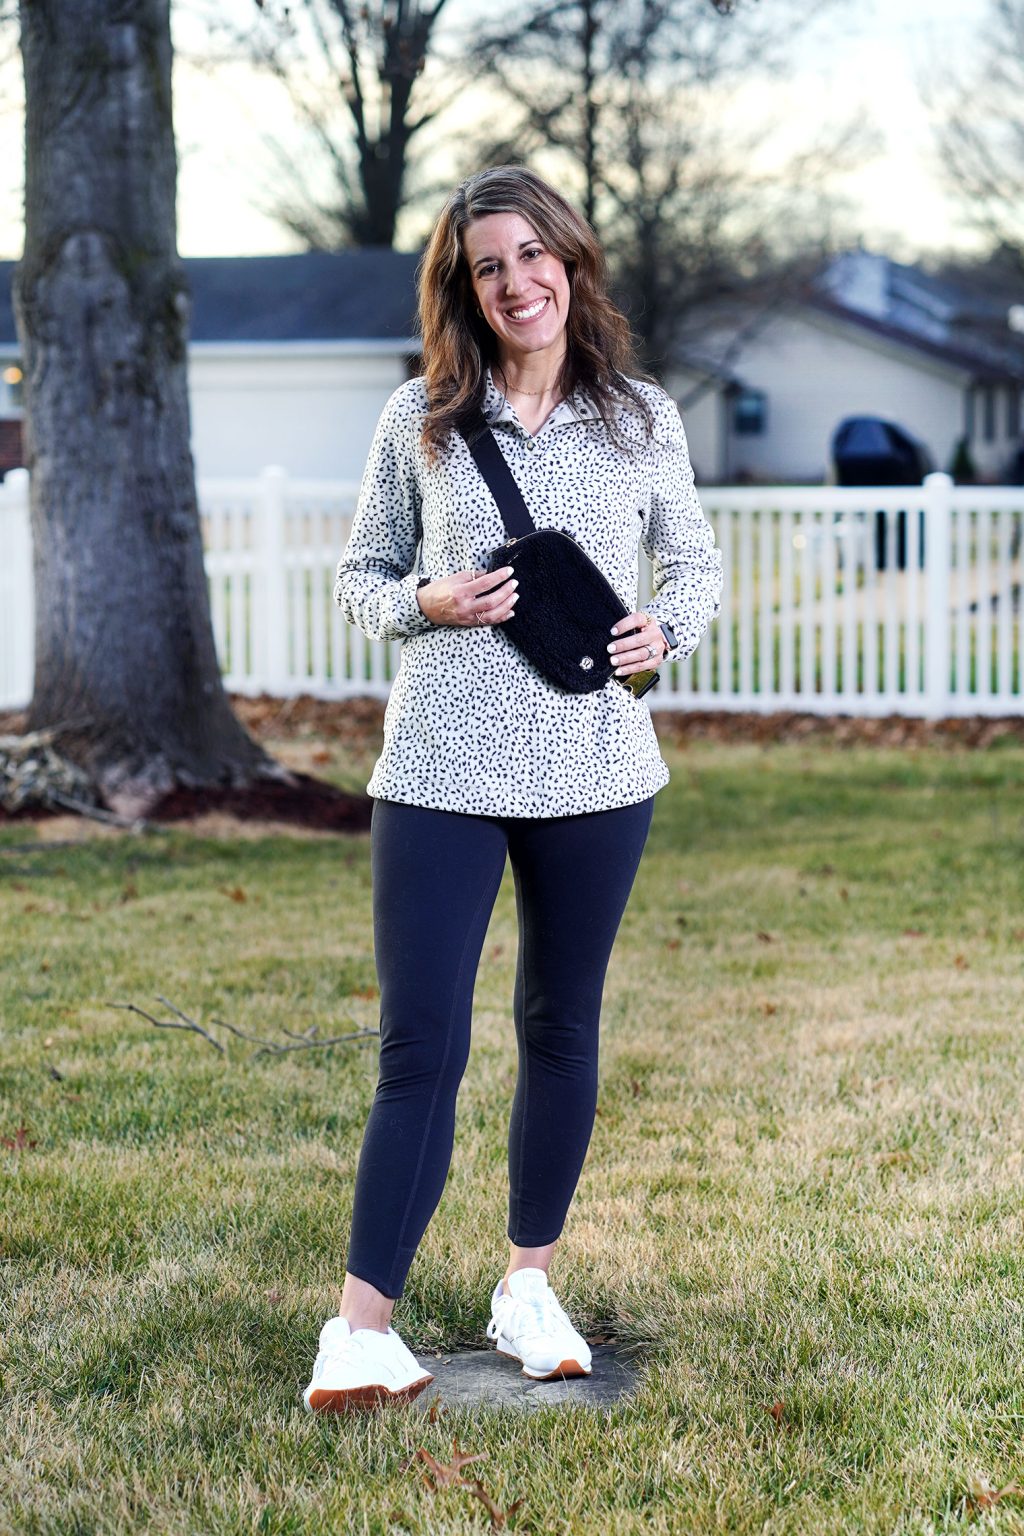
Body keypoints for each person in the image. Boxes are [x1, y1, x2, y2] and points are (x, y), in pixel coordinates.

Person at [302, 165, 722, 1414]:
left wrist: (665, 632)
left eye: (533, 255)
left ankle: (526, 1285)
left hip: (597, 767)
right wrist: (421, 603)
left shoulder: (642, 416)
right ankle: (361, 1329)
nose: (517, 282)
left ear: (571, 263)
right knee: (417, 1045)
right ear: (463, 287)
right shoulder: (418, 416)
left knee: (561, 1028)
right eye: (489, 265)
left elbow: (692, 562)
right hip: (438, 765)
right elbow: (361, 577)